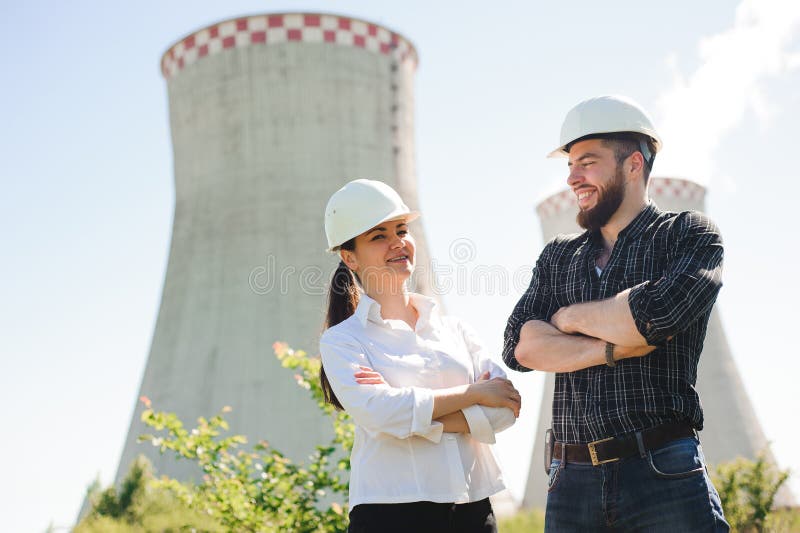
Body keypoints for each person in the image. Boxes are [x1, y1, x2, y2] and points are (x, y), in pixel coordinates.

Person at [502, 95, 730, 532]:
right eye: (569, 165)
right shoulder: (558, 256)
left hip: (663, 472)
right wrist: (616, 347)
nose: (572, 178)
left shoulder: (688, 234)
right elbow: (519, 345)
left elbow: (655, 316)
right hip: (569, 482)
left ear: (633, 165)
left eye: (586, 162)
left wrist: (565, 320)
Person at [319, 179, 520, 533]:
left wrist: (414, 423)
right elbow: (381, 412)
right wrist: (472, 396)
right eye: (378, 235)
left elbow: (504, 408)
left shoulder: (456, 331)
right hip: (391, 512)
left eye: (401, 229)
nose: (398, 242)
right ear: (349, 256)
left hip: (472, 508)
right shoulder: (343, 341)